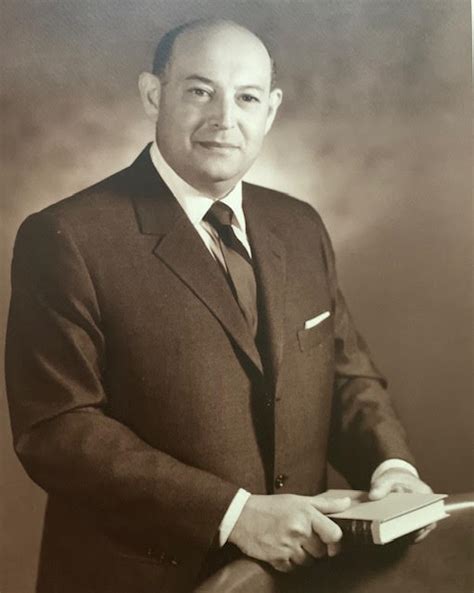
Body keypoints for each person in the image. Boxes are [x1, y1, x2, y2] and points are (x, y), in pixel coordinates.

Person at [5, 19, 433, 593]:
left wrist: (391, 469)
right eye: (200, 91)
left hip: (303, 578)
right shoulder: (67, 236)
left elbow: (344, 374)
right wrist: (235, 515)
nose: (224, 119)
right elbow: (57, 429)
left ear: (271, 111)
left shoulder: (299, 225)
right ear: (153, 95)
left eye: (247, 98)